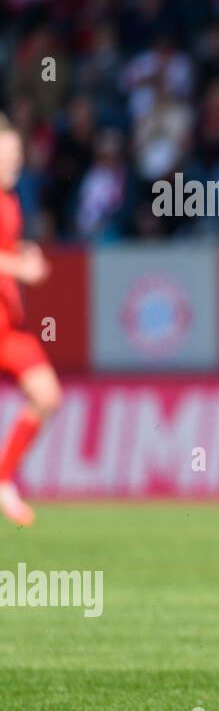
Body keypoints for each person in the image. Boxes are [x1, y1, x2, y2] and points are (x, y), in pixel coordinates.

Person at [0, 114, 64, 527]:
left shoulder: (10, 201)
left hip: (8, 327)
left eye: (18, 156)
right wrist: (18, 268)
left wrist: (24, 254)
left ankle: (3, 478)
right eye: (9, 154)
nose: (16, 162)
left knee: (47, 395)